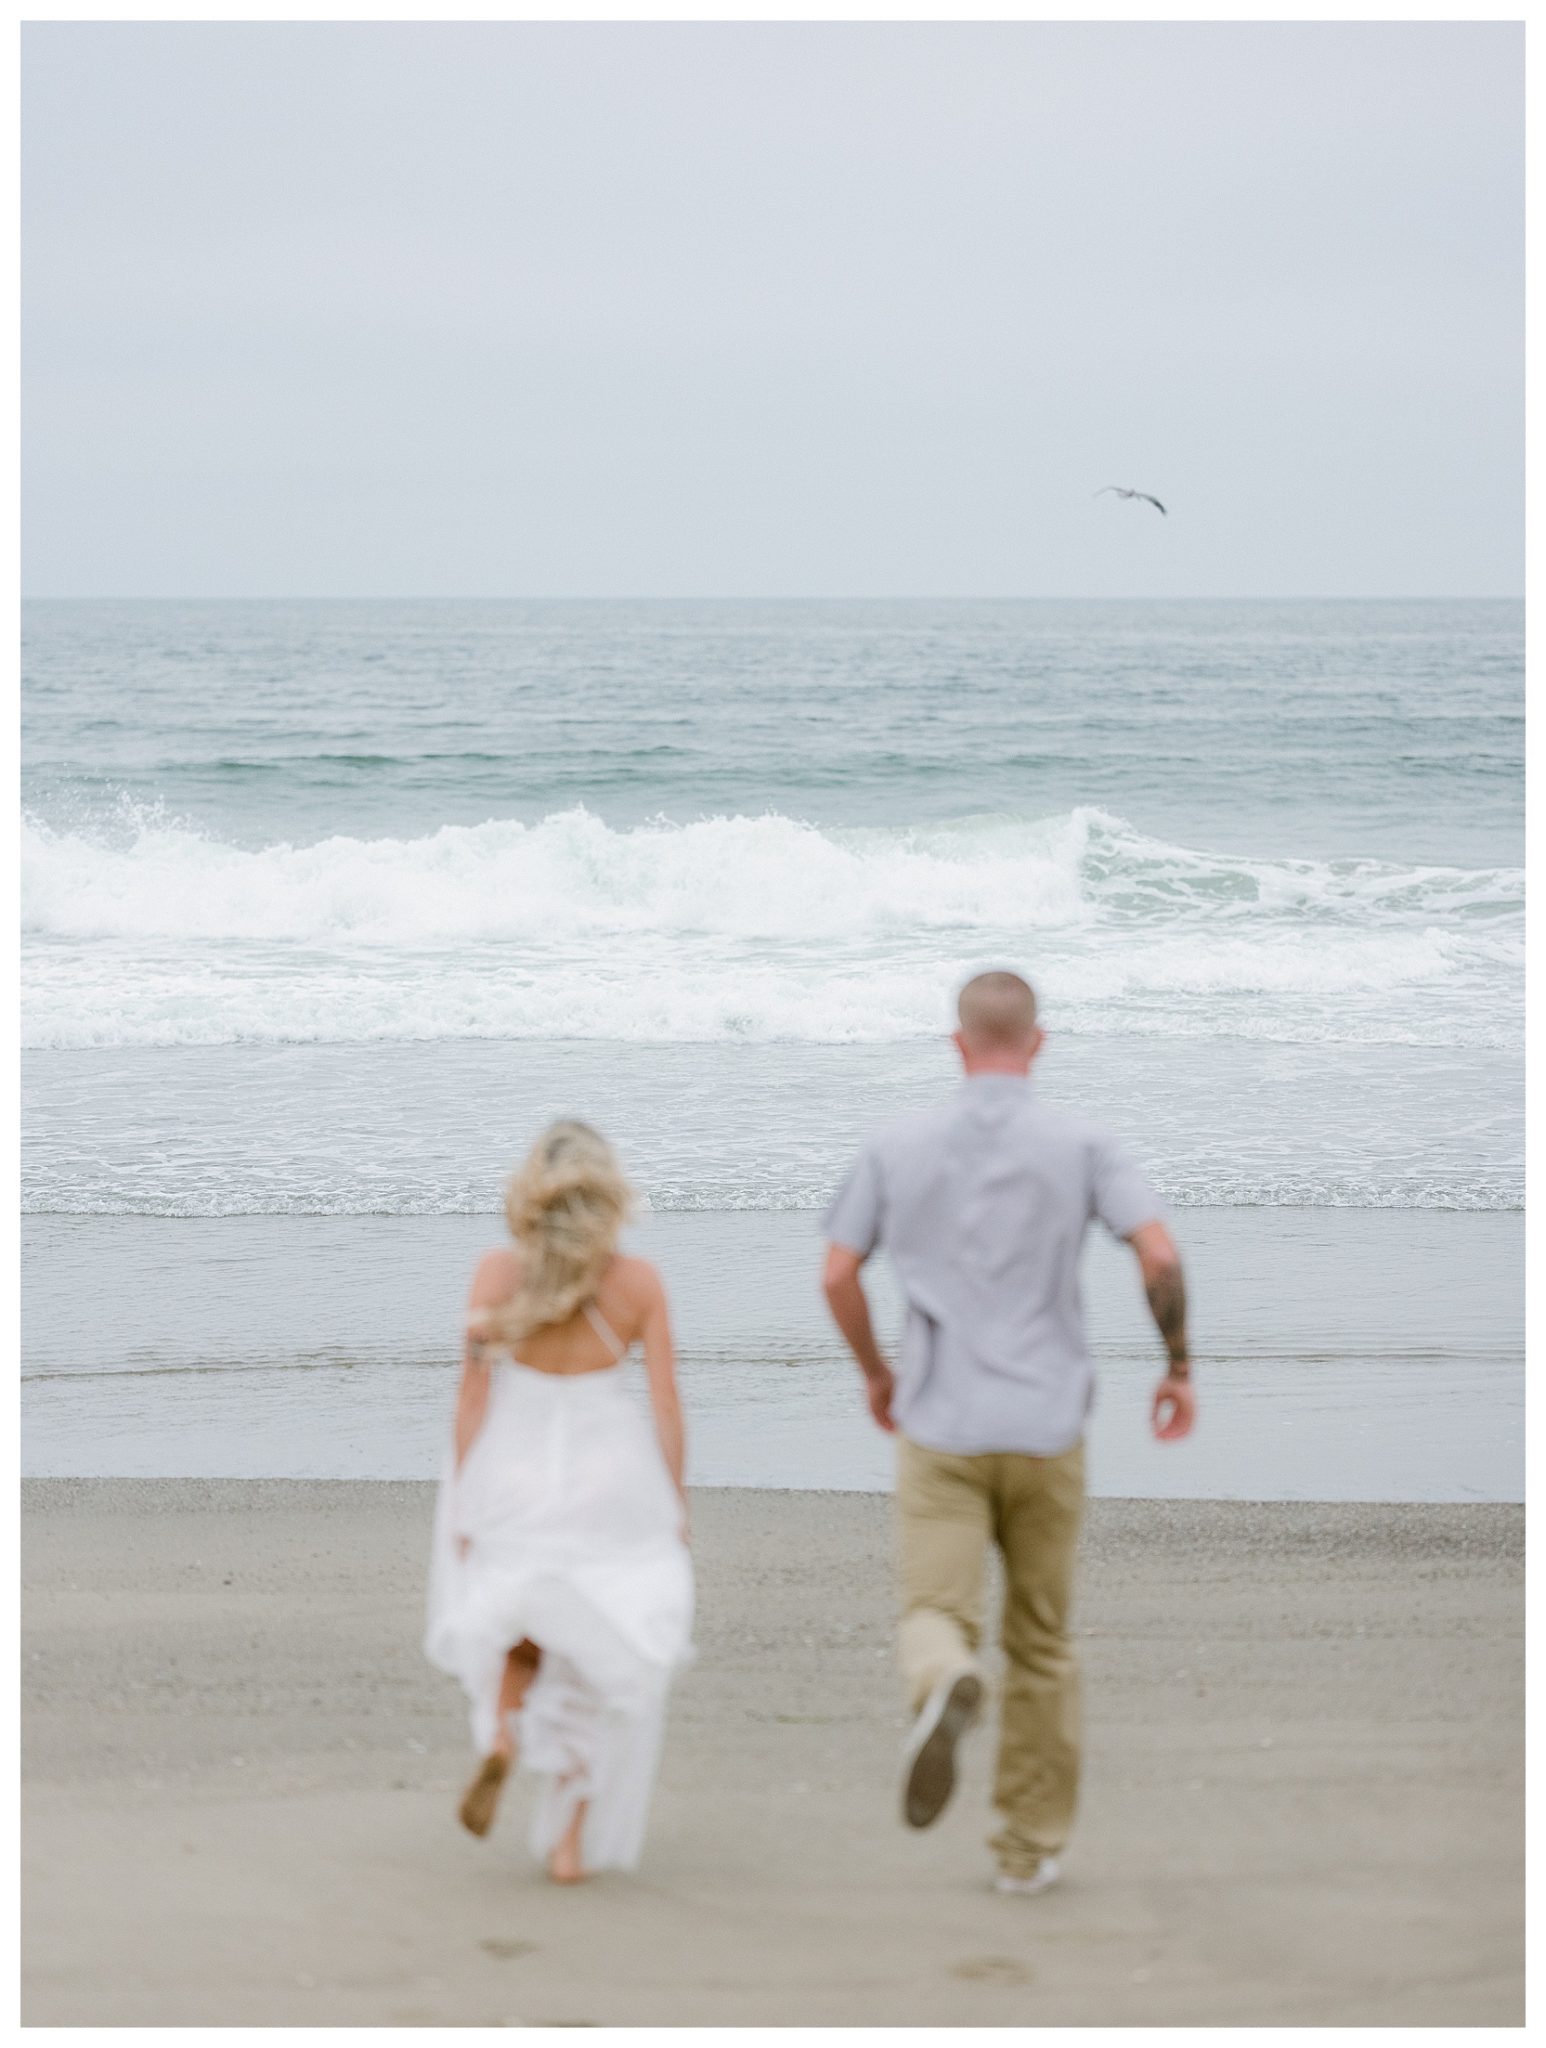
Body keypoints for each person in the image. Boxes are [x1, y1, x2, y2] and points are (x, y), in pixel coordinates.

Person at [821, 970, 1194, 1896]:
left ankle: (943, 1675)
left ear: (957, 1044)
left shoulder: (894, 1145)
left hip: (941, 1423)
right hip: (1044, 1428)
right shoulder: (1084, 1143)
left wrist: (877, 1372)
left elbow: (836, 1272)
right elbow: (1158, 1254)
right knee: (1040, 1642)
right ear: (1036, 1043)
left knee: (933, 1612)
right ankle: (1025, 1851)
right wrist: (1178, 1366)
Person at [424, 1120, 693, 1885]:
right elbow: (667, 1404)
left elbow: (471, 1396)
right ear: (605, 1196)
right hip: (610, 1474)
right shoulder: (638, 1285)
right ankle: (569, 1845)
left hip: (514, 1466)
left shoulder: (495, 1275)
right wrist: (673, 1502)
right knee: (591, 1637)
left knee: (520, 1623)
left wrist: (468, 1501)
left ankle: (504, 1737)